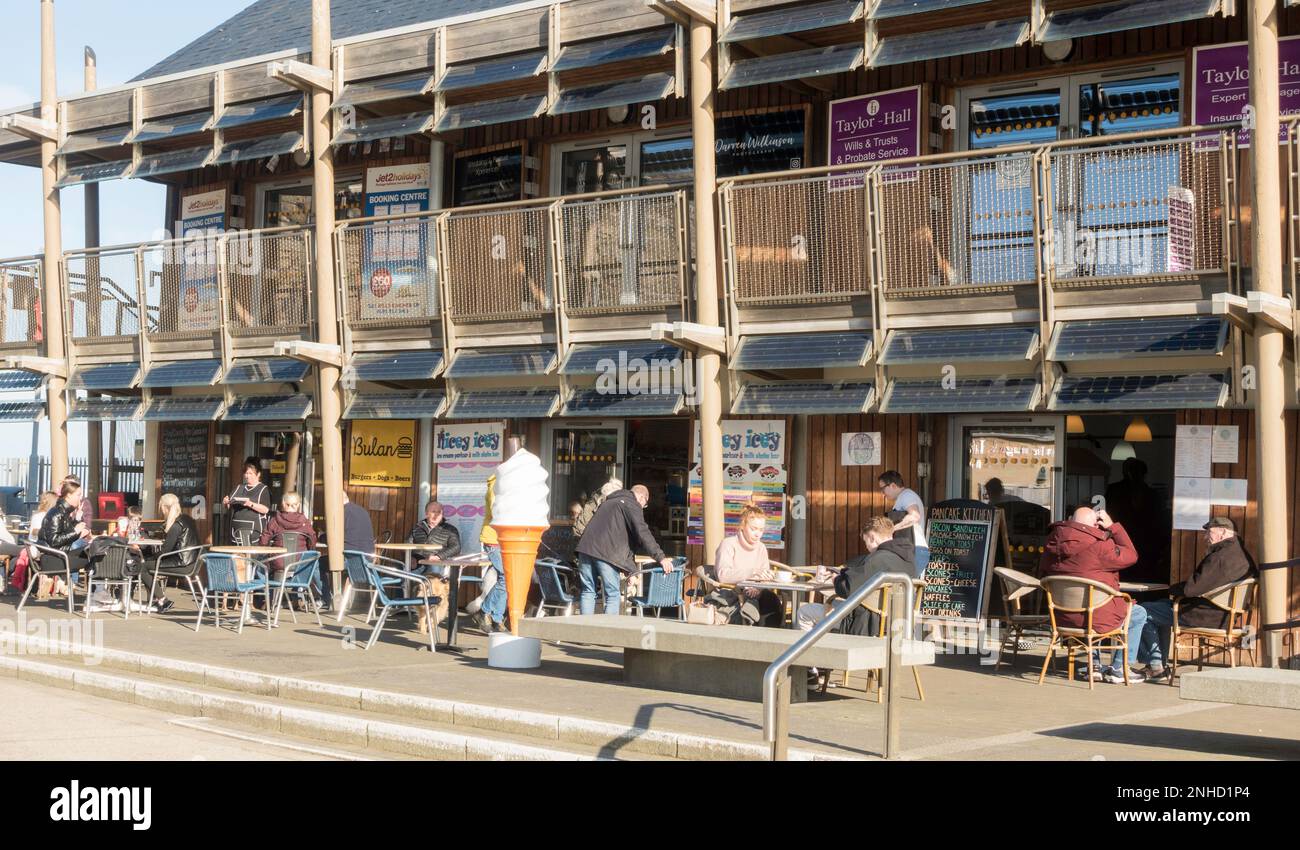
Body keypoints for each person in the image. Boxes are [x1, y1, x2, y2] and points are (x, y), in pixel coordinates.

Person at [1137, 517, 1256, 683]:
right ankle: (1159, 666)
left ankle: (1156, 666)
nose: (1205, 537)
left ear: (1223, 532)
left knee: (1141, 611)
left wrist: (1172, 589)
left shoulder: (1219, 557)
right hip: (1225, 617)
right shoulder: (1243, 556)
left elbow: (1191, 589)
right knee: (1159, 609)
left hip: (1201, 615)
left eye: (1209, 532)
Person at [1039, 505, 1147, 684]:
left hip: (1062, 618)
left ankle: (1094, 666)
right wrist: (1113, 526)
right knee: (1137, 613)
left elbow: (1043, 576)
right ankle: (1120, 668)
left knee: (1092, 604)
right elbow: (1131, 555)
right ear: (1096, 525)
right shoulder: (1099, 546)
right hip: (1094, 617)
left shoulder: (1051, 544)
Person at [797, 516, 914, 636]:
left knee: (804, 612)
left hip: (866, 621)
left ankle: (811, 653)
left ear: (872, 537)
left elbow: (847, 589)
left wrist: (836, 580)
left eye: (866, 541)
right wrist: (843, 573)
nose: (867, 547)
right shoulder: (909, 561)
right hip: (896, 620)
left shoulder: (877, 559)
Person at [573, 484, 674, 616]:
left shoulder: (609, 502)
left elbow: (623, 539)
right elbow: (642, 533)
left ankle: (584, 632)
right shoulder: (631, 504)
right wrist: (661, 557)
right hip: (605, 553)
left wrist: (630, 569)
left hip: (585, 550)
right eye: (645, 505)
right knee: (613, 594)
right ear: (642, 497)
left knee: (588, 591)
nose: (643, 508)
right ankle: (608, 634)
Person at [712, 504, 781, 627]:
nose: (757, 534)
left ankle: (769, 639)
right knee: (767, 601)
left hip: (755, 593)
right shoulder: (728, 544)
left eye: (761, 530)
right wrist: (752, 573)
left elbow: (765, 576)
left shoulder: (761, 548)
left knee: (771, 599)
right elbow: (723, 575)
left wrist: (758, 588)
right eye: (753, 528)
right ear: (743, 526)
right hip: (732, 593)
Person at [260, 491, 324, 611]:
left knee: (259, 564)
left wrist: (270, 550)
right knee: (314, 563)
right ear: (298, 505)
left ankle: (268, 599)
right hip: (300, 563)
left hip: (278, 563)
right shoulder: (305, 521)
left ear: (283, 504)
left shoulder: (274, 520)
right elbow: (312, 540)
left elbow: (263, 541)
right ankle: (318, 597)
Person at [138, 493, 199, 614]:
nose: (160, 509)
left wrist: (150, 557)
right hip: (193, 562)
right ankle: (155, 600)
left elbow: (165, 551)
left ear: (165, 508)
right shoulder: (187, 519)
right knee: (149, 563)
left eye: (161, 507)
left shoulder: (176, 525)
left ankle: (162, 600)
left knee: (142, 567)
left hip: (183, 564)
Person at [37, 479, 94, 580]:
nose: (80, 498)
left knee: (95, 550)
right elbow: (54, 540)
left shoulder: (63, 512)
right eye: (78, 495)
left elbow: (66, 534)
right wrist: (76, 531)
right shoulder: (57, 513)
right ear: (69, 495)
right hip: (55, 558)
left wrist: (76, 520)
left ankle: (94, 591)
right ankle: (97, 592)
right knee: (95, 557)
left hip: (60, 554)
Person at [473, 473, 507, 633]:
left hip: (502, 539)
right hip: (493, 538)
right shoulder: (496, 486)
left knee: (505, 578)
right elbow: (497, 512)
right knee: (506, 578)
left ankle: (497, 619)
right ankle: (484, 612)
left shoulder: (501, 485)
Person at [878, 470, 928, 576]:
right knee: (906, 589)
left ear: (893, 485)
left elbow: (914, 516)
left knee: (908, 589)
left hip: (915, 550)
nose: (882, 493)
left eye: (883, 489)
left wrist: (892, 529)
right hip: (912, 550)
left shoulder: (907, 496)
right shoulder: (903, 497)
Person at [223, 458, 272, 543]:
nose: (247, 476)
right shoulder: (239, 487)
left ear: (258, 474)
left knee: (251, 555)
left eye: (250, 473)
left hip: (254, 532)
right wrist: (226, 502)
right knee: (237, 556)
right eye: (246, 473)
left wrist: (251, 504)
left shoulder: (263, 489)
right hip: (237, 530)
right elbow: (228, 506)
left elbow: (265, 510)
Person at [540, 501, 581, 565]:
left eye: (574, 513)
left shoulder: (581, 530)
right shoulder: (563, 526)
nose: (571, 516)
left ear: (581, 514)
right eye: (569, 512)